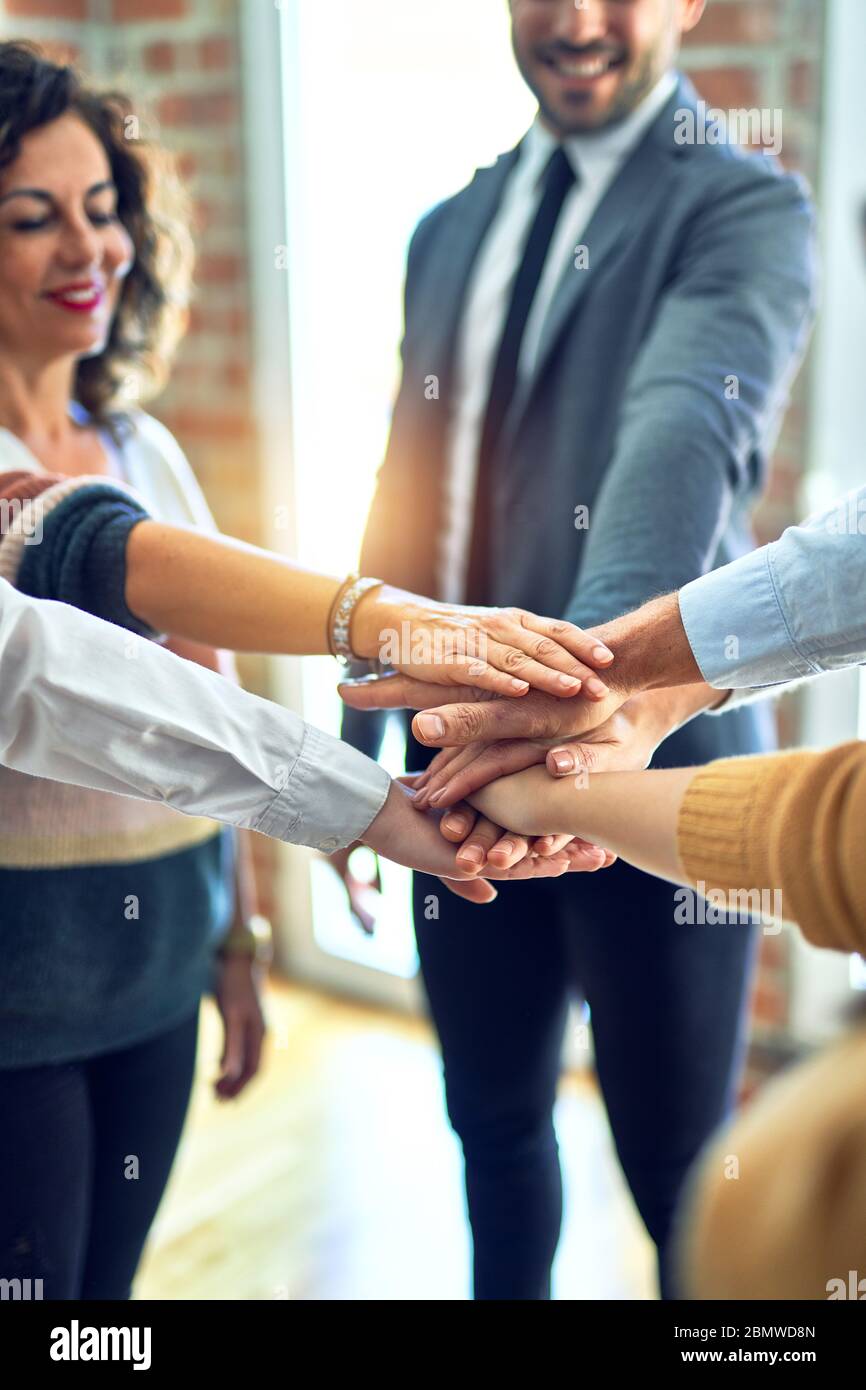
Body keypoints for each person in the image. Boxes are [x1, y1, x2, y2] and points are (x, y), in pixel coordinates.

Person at [0, 39, 603, 1302]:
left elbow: (207, 708)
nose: (88, 252)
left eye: (103, 212)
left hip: (158, 963)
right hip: (23, 993)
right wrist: (386, 641)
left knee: (103, 1295)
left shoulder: (139, 441)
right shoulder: (30, 483)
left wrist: (237, 934)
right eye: (30, 219)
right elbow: (70, 596)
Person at [338, 0, 816, 1297]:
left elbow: (678, 440)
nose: (578, 18)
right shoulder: (449, 227)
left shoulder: (740, 210)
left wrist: (575, 707)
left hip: (650, 776)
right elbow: (408, 484)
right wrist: (353, 750)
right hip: (447, 775)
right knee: (489, 1127)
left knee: (678, 1179)